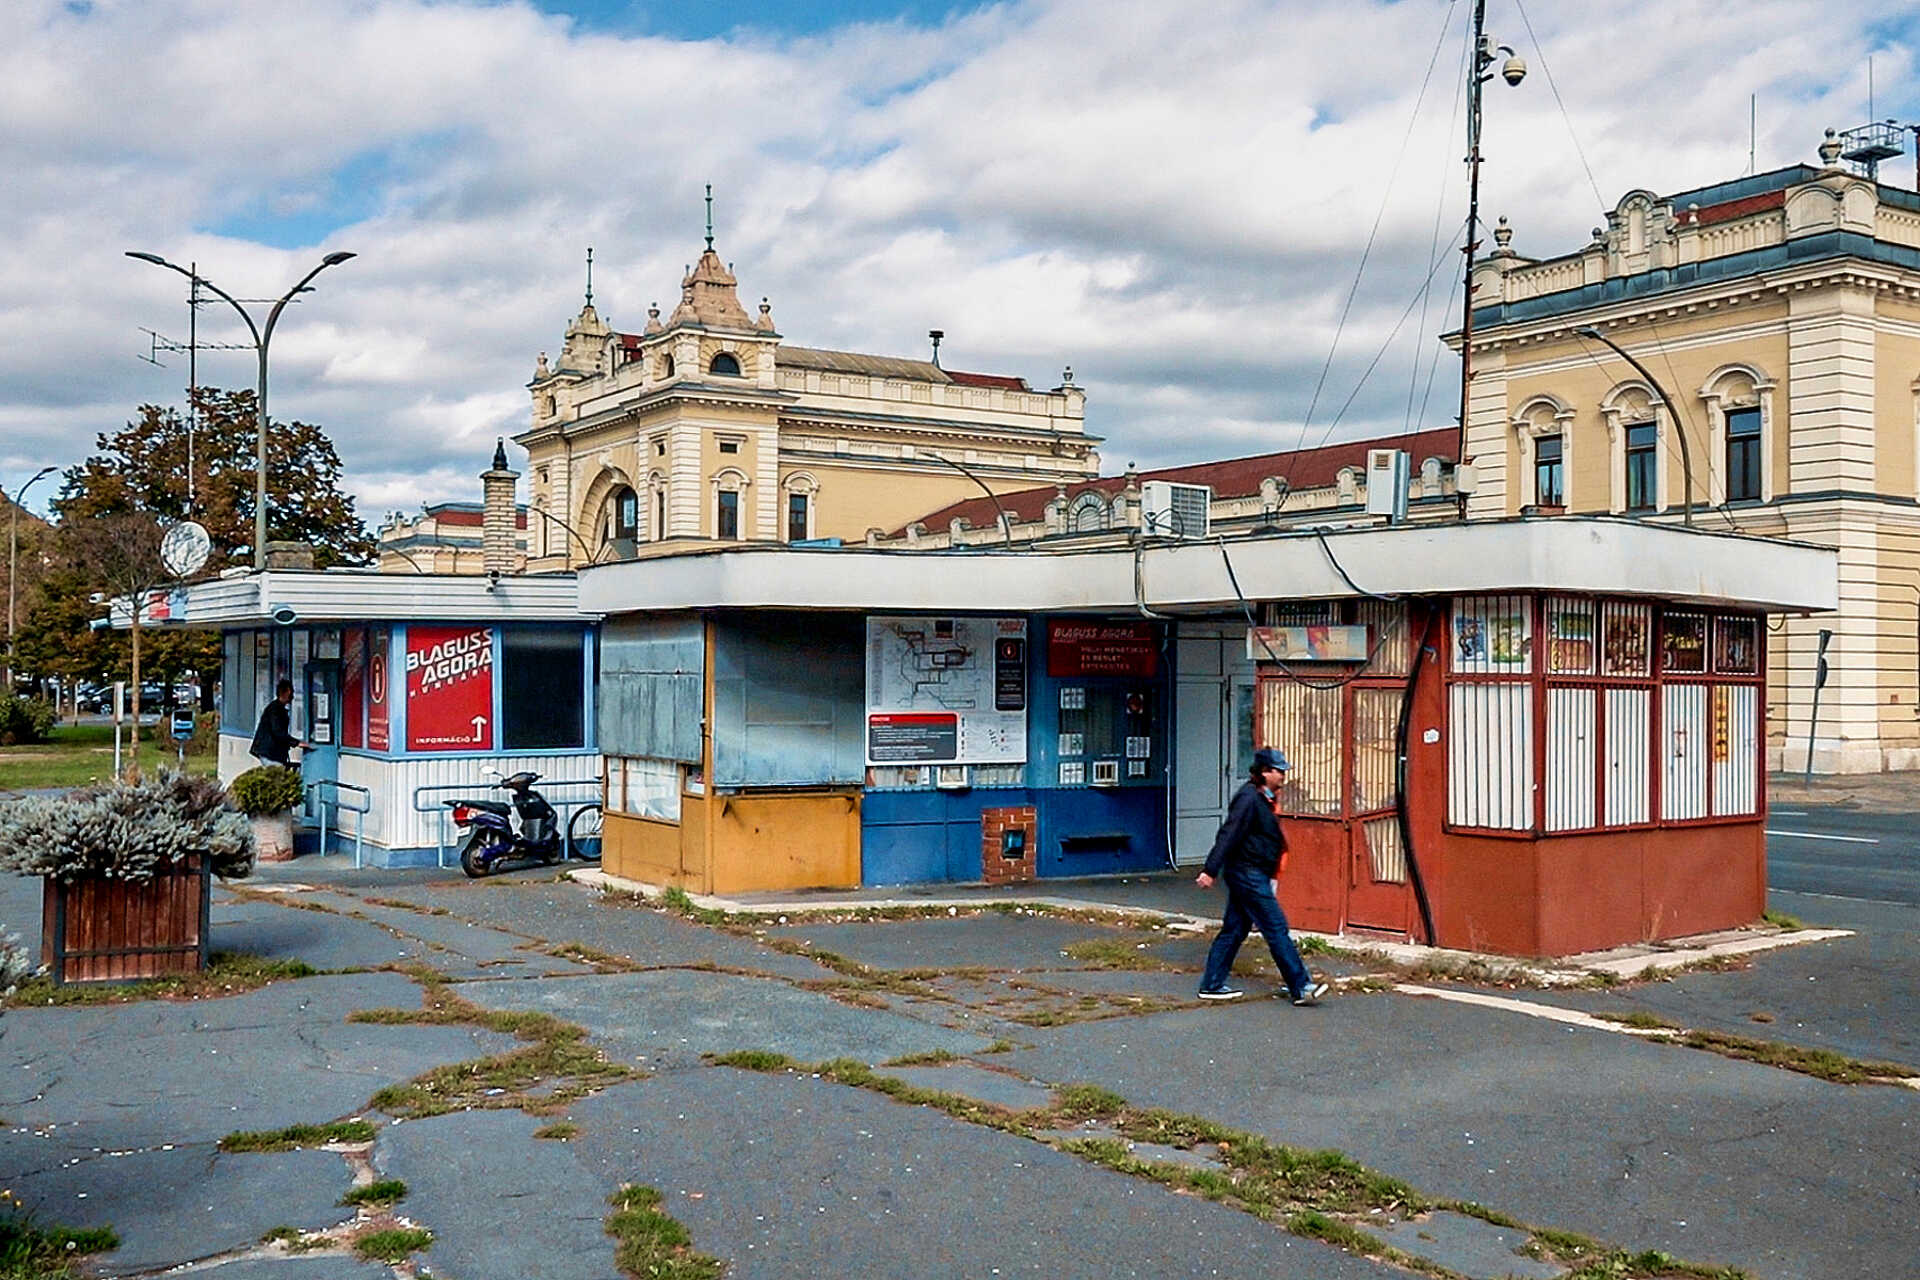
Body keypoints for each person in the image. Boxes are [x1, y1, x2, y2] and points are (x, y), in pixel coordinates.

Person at [1194, 746, 1329, 1006]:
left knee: (1234, 929)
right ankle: (1301, 986)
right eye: (1279, 771)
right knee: (1276, 927)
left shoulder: (1263, 798)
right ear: (1265, 772)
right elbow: (1229, 834)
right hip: (1248, 873)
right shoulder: (1249, 799)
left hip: (1250, 872)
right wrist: (1210, 870)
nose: (1283, 776)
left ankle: (1211, 985)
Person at [249, 679, 304, 768]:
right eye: (291, 693)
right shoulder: (275, 710)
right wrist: (296, 742)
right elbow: (278, 732)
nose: (292, 696)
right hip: (271, 752)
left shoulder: (275, 708)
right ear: (286, 693)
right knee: (277, 776)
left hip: (270, 751)